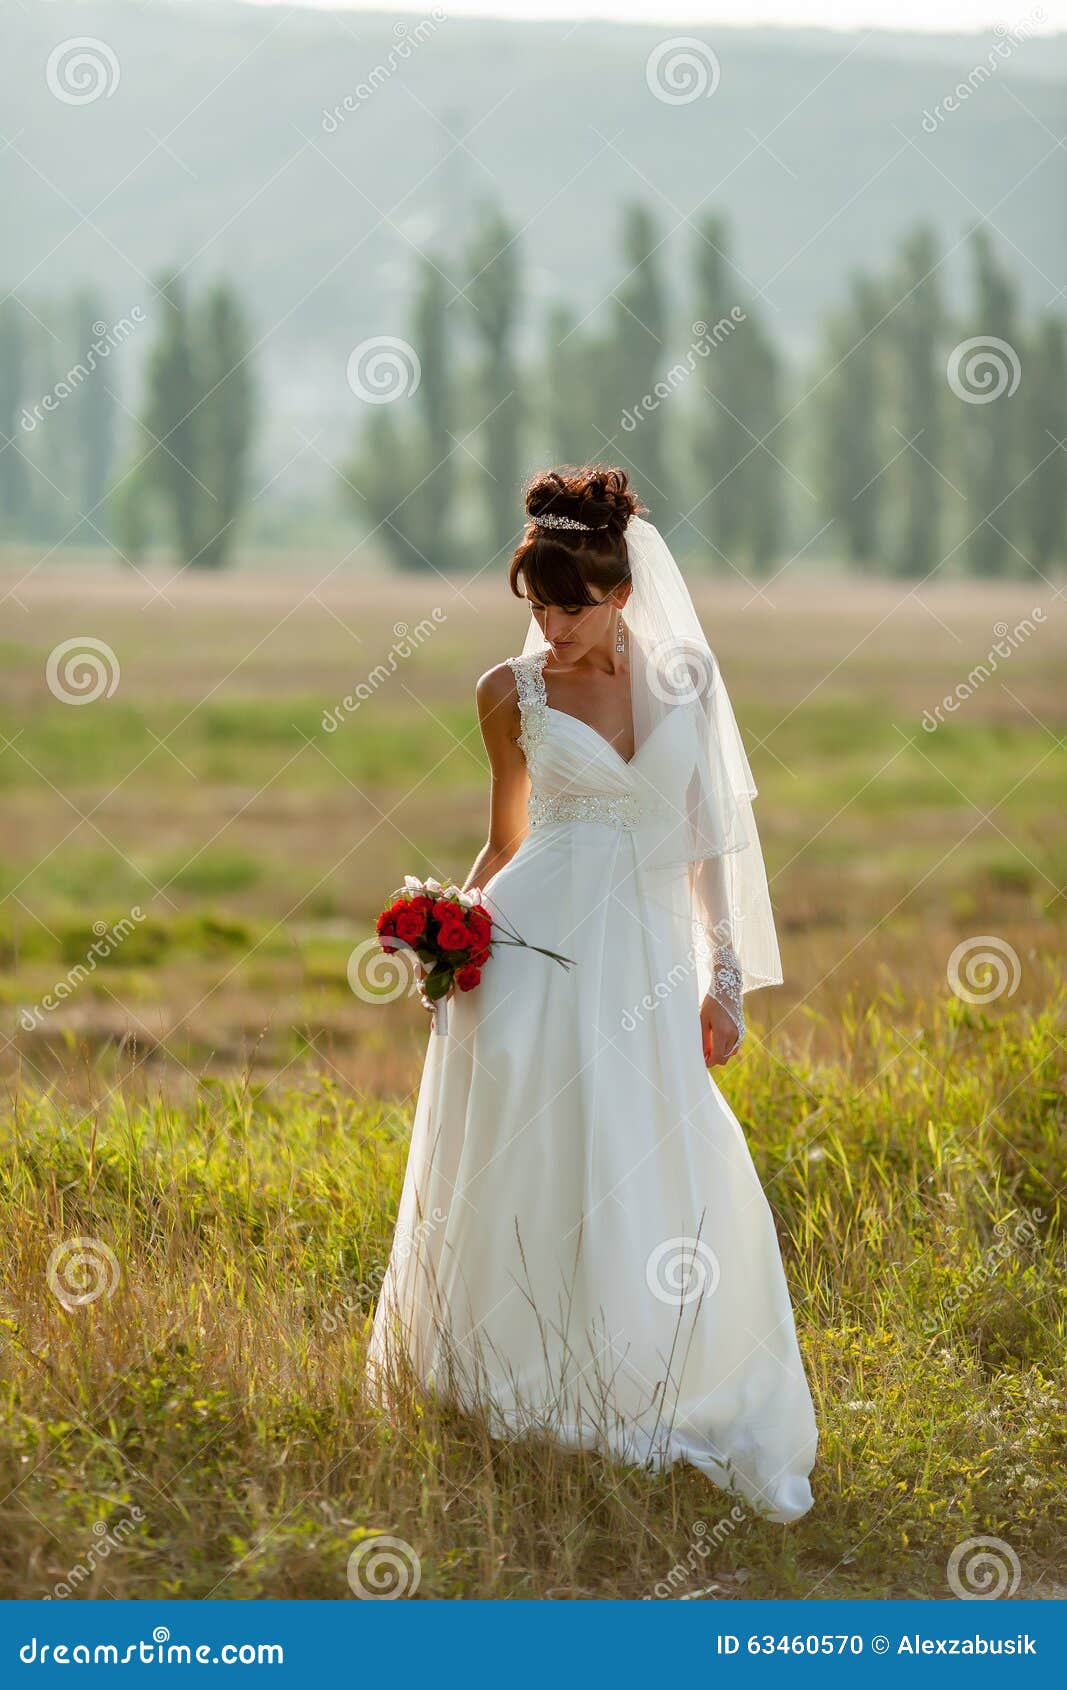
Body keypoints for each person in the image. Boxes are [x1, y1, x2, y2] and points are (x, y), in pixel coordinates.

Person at [367, 466, 817, 1522]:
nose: (551, 628)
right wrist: (448, 929)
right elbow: (505, 839)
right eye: (535, 607)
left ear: (620, 593)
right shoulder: (507, 690)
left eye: (570, 608)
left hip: (645, 958)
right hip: (532, 947)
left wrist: (723, 979)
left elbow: (707, 839)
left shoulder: (688, 677)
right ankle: (504, 1376)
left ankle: (649, 1371)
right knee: (528, 1151)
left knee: (654, 1148)